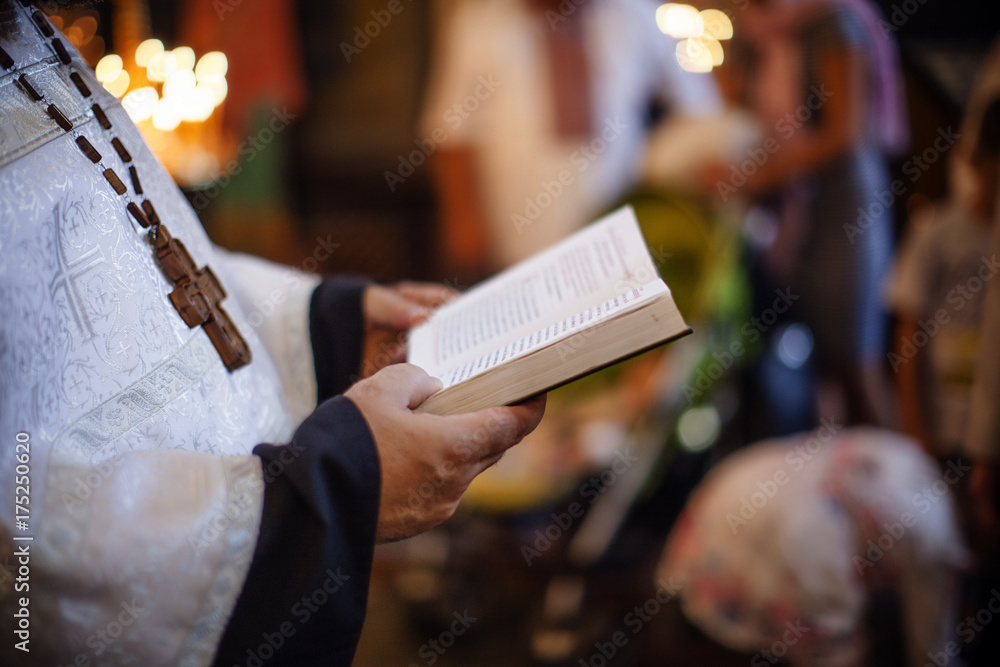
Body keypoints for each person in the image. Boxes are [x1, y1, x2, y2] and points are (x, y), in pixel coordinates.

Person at [0, 2, 544, 665]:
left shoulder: (28, 27)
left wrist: (330, 326)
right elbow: (23, 551)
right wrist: (319, 496)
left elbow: (144, 254)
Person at [708, 0, 907, 428]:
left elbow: (847, 134)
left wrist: (761, 175)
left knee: (854, 359)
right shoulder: (751, 32)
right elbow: (734, 113)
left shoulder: (833, 23)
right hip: (789, 210)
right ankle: (834, 479)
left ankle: (897, 482)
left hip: (842, 205)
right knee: (815, 361)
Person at [421, 0, 720, 280]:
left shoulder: (634, 11)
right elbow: (451, 130)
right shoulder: (480, 20)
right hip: (517, 233)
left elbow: (698, 109)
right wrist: (464, 218)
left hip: (615, 231)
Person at [659, 427, 968, 667]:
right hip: (768, 534)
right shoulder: (932, 541)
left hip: (735, 493)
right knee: (829, 644)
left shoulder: (913, 461)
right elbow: (932, 653)